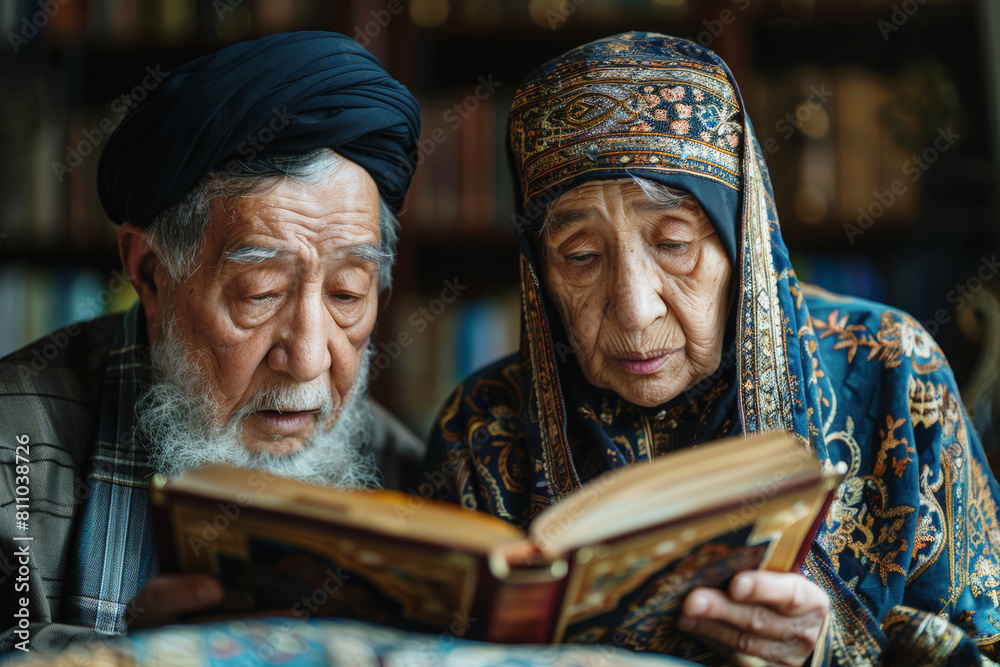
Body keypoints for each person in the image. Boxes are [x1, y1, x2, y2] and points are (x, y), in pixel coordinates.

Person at [424, 32, 1000, 666]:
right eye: (580, 257)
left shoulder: (891, 368)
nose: (636, 309)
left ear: (741, 240)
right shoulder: (484, 425)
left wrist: (833, 650)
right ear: (537, 275)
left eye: (674, 244)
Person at [0, 31, 425, 654]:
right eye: (259, 294)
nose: (308, 359)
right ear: (149, 273)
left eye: (346, 295)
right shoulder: (15, 451)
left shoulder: (404, 469)